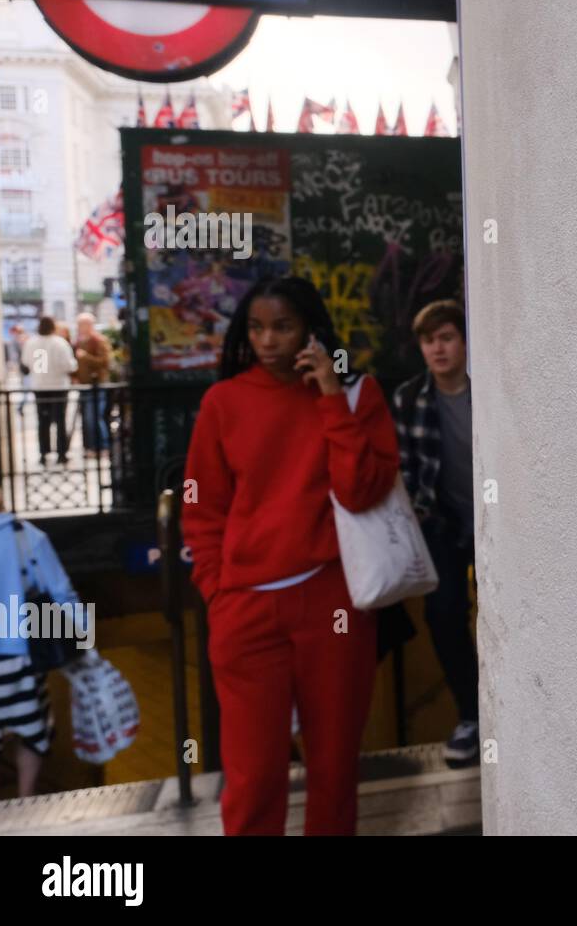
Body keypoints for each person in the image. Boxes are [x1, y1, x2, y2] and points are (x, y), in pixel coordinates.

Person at [181, 276, 399, 836]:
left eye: (282, 327)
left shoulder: (355, 397)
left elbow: (362, 490)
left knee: (333, 769)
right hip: (245, 610)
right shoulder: (224, 403)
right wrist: (217, 589)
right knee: (253, 778)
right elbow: (202, 507)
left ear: (310, 330)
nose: (267, 340)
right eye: (256, 328)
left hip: (333, 603)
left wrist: (330, 397)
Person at [392, 300, 479, 765]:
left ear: (465, 340)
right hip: (442, 521)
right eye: (429, 341)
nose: (439, 348)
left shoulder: (488, 389)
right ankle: (471, 713)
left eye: (447, 337)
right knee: (443, 614)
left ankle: (507, 708)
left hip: (494, 522)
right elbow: (405, 472)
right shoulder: (409, 398)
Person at [0, 480, 81, 799]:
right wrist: (85, 641)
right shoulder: (25, 536)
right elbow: (62, 593)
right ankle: (27, 802)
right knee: (32, 733)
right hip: (21, 657)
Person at [21, 318, 77, 467]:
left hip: (40, 387)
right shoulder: (60, 343)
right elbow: (69, 365)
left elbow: (26, 363)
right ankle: (61, 454)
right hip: (58, 387)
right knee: (60, 420)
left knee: (43, 421)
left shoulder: (31, 343)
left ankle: (43, 454)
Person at [72, 312, 113, 456]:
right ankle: (91, 447)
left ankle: (103, 446)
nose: (79, 327)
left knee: (95, 417)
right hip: (84, 384)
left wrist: (86, 357)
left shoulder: (99, 340)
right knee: (88, 418)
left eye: (82, 324)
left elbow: (105, 362)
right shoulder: (78, 341)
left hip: (97, 384)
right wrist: (75, 376)